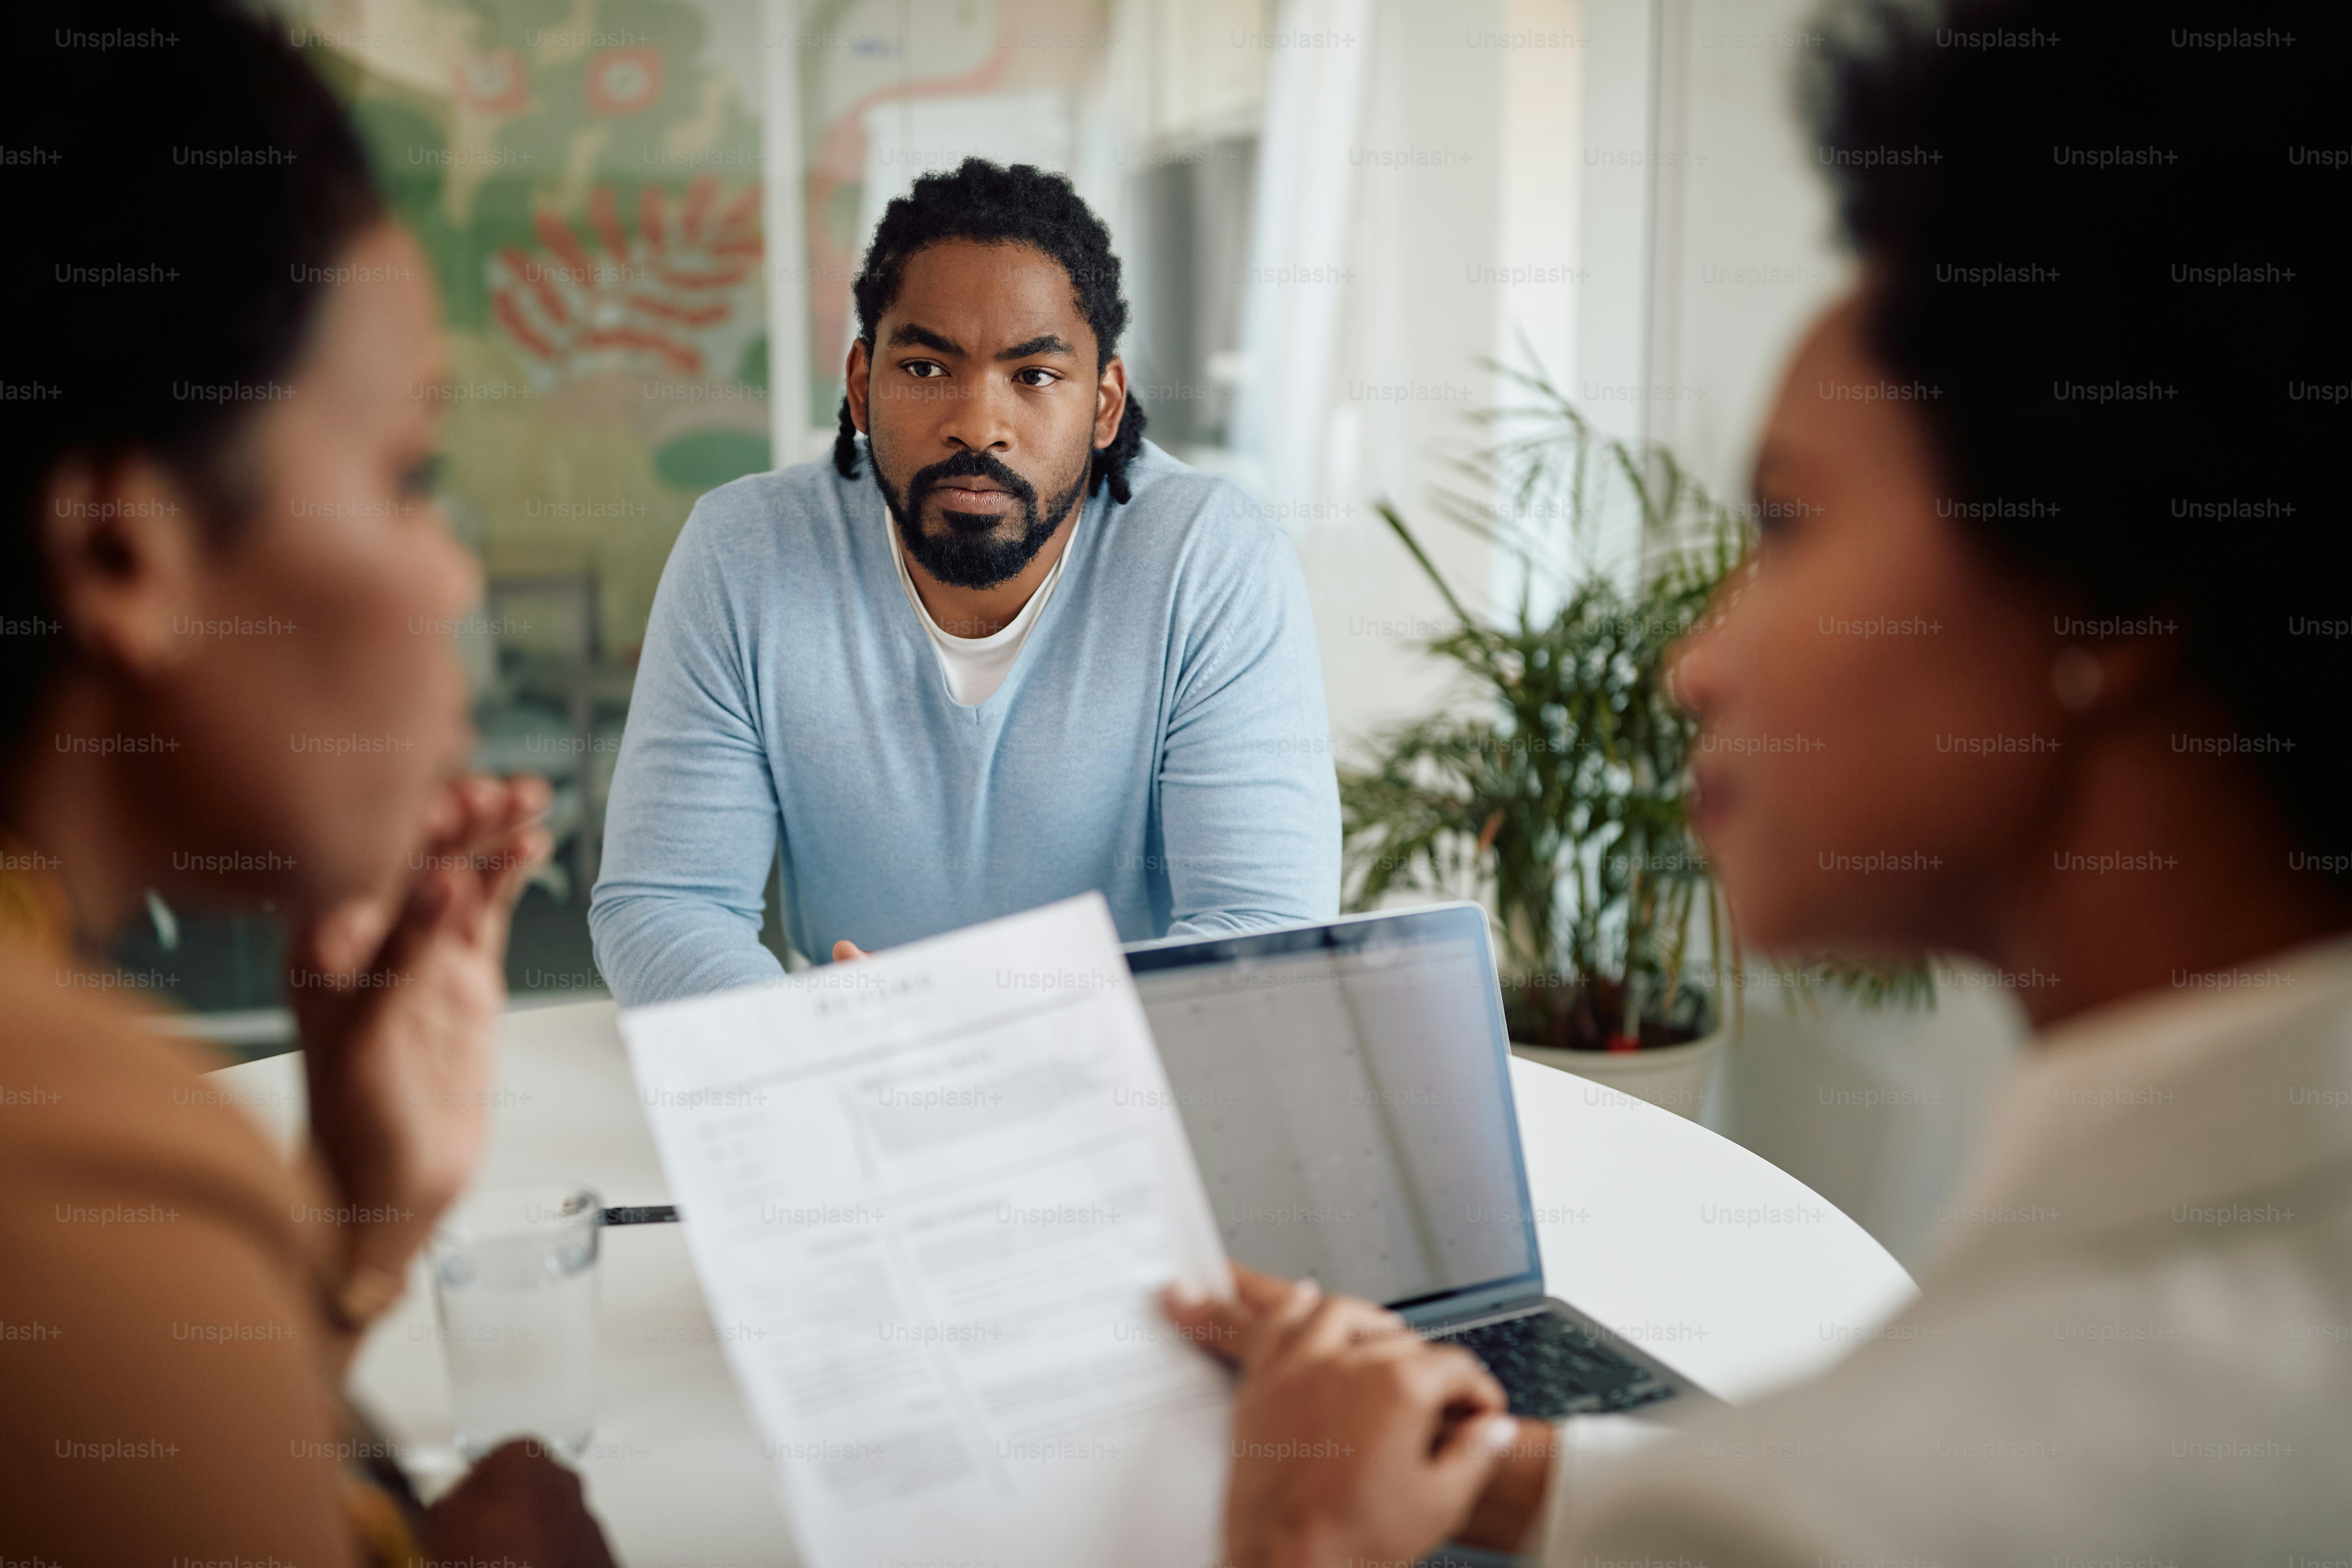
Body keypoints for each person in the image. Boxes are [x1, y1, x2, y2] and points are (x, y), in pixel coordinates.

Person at [1164, 0, 2352, 1561]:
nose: (1694, 662)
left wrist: (1308, 1534)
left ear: (2109, 588)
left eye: (1789, 521)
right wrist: (1523, 1470)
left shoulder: (1845, 1506)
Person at [0, 6, 615, 1563]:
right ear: (123, 552)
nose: (452, 569)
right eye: (405, 474)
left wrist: (350, 1215)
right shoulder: (74, 1153)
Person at [588, 159, 1340, 1004]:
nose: (978, 426)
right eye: (925, 369)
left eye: (1035, 376)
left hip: (1129, 1088)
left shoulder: (1214, 561)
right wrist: (798, 1041)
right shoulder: (745, 554)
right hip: (839, 1071)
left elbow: (1265, 927)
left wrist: (980, 1038)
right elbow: (667, 901)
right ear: (861, 388)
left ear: (1105, 403)